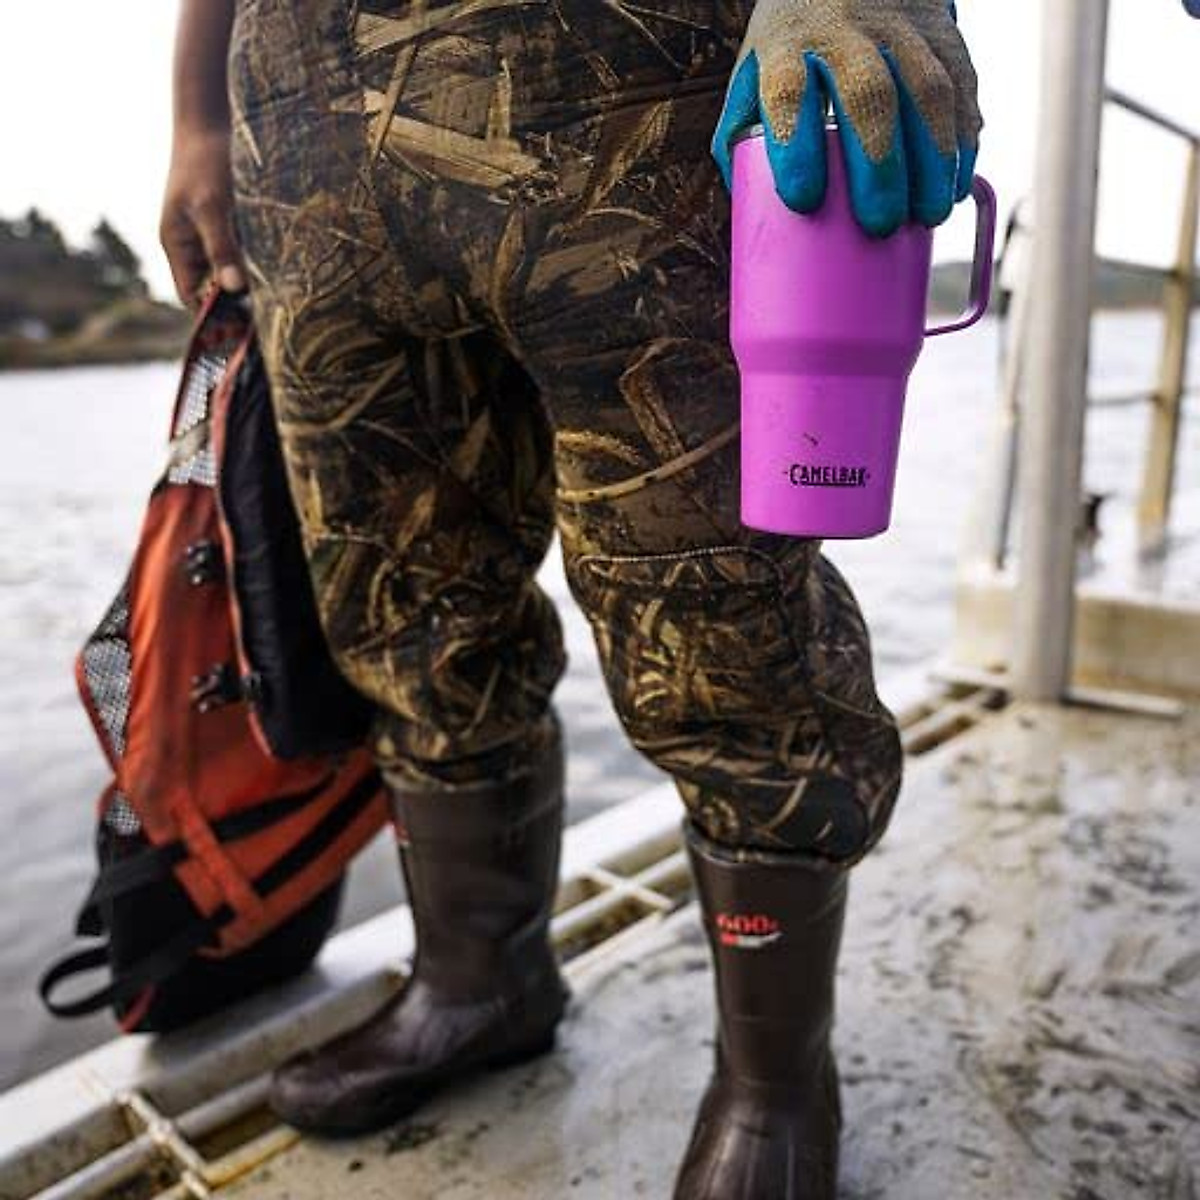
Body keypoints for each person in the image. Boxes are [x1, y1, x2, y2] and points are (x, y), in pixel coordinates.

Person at [161, 2, 981, 1195]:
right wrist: (196, 119)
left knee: (719, 622)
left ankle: (774, 1079)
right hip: (301, 130)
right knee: (402, 602)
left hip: (626, 81)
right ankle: (476, 983)